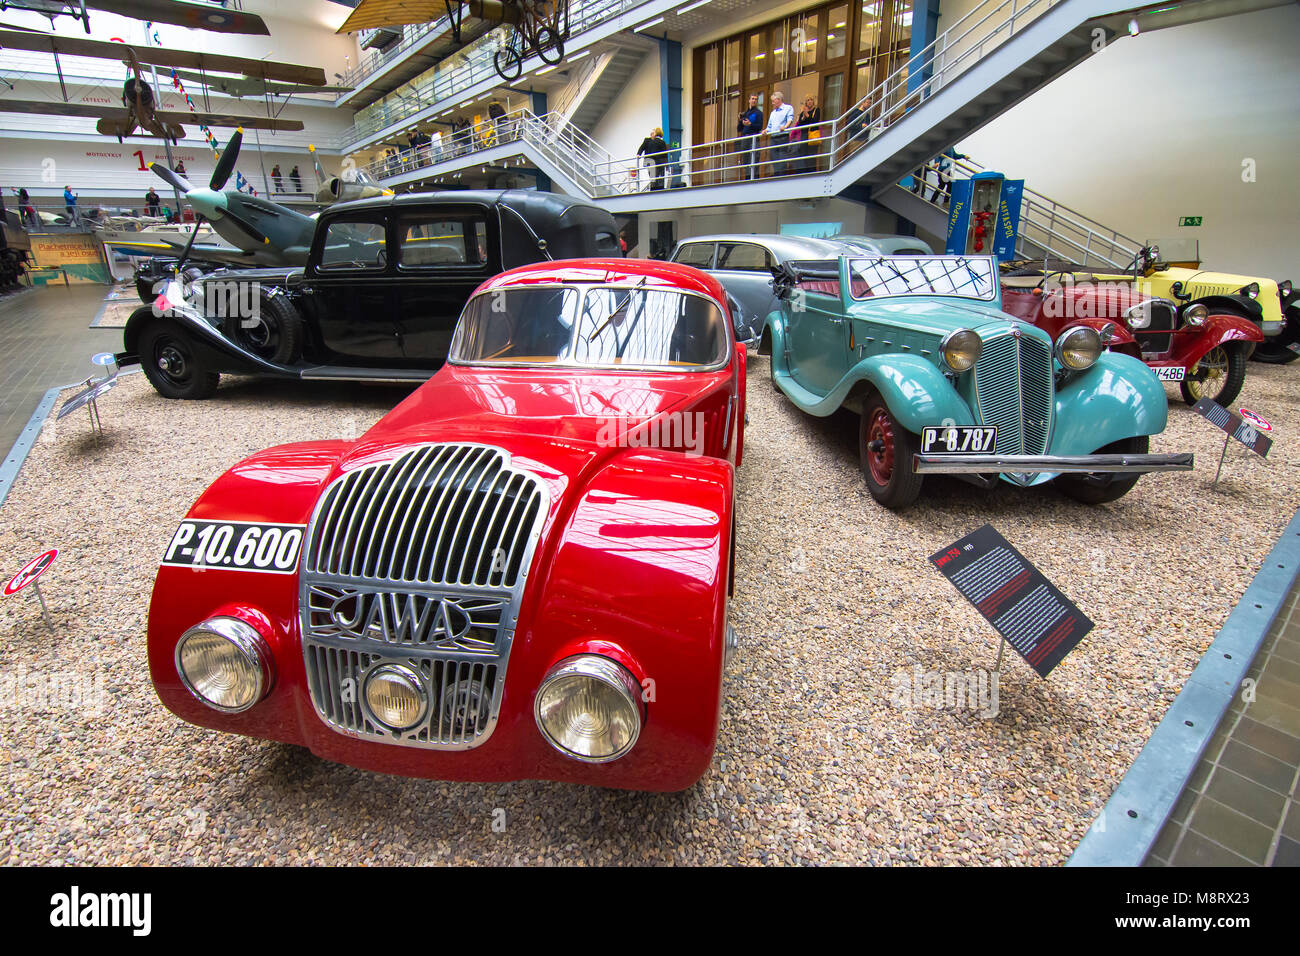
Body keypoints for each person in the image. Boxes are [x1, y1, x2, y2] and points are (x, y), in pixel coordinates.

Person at [763, 91, 795, 176]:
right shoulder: (773, 113)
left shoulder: (788, 108)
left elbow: (790, 119)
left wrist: (785, 127)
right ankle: (776, 174)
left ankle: (781, 175)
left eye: (773, 101)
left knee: (782, 157)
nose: (772, 103)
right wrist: (766, 130)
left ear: (778, 100)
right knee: (773, 157)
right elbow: (769, 126)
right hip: (773, 137)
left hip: (783, 136)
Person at [736, 93, 763, 181]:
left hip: (754, 138)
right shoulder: (746, 114)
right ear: (749, 100)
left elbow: (759, 127)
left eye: (755, 99)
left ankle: (755, 179)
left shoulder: (759, 113)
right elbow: (739, 128)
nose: (754, 100)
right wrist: (741, 121)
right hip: (745, 138)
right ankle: (747, 178)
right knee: (746, 160)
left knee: (754, 159)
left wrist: (750, 124)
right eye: (752, 99)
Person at [794, 94, 822, 173]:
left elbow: (815, 121)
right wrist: (803, 117)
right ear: (805, 102)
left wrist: (807, 115)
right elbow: (799, 124)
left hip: (812, 135)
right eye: (808, 100)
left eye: (811, 100)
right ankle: (804, 172)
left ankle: (812, 172)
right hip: (804, 135)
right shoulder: (803, 112)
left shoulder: (817, 110)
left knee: (811, 156)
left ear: (813, 101)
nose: (809, 102)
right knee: (803, 156)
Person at [637, 127, 670, 191]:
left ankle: (657, 189)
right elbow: (642, 147)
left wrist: (666, 164)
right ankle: (655, 189)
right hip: (653, 162)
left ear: (656, 134)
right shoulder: (648, 140)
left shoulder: (658, 142)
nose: (651, 134)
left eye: (653, 133)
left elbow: (664, 154)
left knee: (656, 178)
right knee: (654, 178)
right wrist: (639, 154)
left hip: (656, 162)